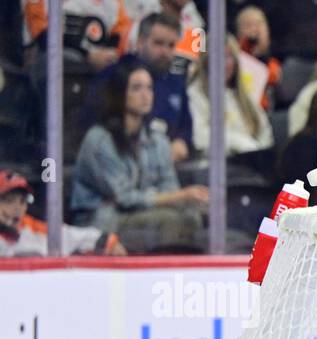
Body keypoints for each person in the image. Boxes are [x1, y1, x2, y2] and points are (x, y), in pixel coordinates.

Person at [70, 62, 208, 252]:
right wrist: (180, 196)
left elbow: (168, 186)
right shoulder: (99, 140)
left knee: (192, 215)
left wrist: (178, 197)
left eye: (149, 88)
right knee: (173, 221)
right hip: (104, 221)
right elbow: (125, 198)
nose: (146, 95)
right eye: (136, 88)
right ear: (120, 94)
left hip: (142, 213)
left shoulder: (157, 140)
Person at [85, 11, 192, 163]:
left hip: (169, 165)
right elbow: (96, 126)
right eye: (158, 43)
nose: (165, 52)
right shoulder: (115, 76)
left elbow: (186, 125)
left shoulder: (176, 81)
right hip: (121, 162)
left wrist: (181, 142)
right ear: (140, 42)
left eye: (171, 45)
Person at [0, 169, 125, 256]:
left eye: (22, 201)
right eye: (8, 201)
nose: (17, 208)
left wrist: (108, 242)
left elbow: (74, 236)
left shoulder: (36, 230)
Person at [187, 34, 273, 156]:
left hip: (252, 164)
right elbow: (200, 137)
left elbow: (264, 132)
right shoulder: (195, 93)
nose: (223, 63)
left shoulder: (245, 96)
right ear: (206, 61)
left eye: (228, 57)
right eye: (217, 57)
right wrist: (240, 143)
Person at [234, 4, 280, 111]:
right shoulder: (232, 63)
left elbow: (271, 77)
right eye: (248, 25)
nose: (254, 30)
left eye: (258, 24)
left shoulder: (273, 64)